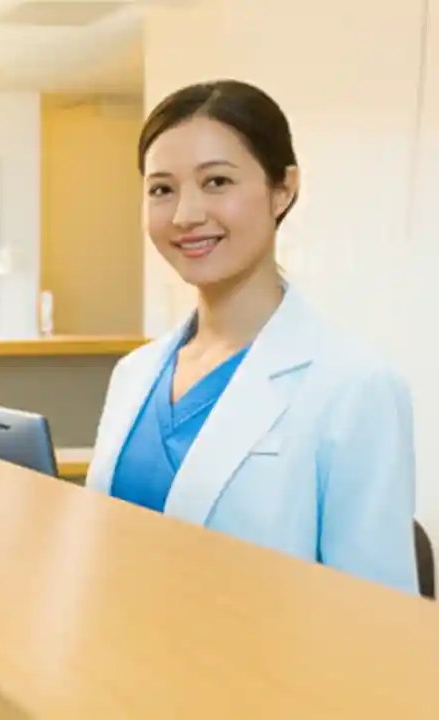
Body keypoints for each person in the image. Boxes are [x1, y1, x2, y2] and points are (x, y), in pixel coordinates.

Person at [85, 79, 418, 594]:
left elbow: (379, 624)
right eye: (161, 189)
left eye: (216, 182)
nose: (185, 215)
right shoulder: (134, 374)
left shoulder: (355, 387)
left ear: (283, 189)